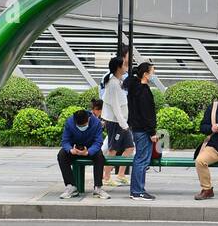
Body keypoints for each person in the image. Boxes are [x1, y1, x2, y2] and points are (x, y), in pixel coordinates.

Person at [57, 107, 108, 200]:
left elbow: (98, 142)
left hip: (90, 148)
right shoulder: (69, 122)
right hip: (74, 148)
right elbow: (65, 141)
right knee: (61, 155)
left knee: (100, 157)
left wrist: (88, 152)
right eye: (78, 126)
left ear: (88, 119)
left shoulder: (96, 123)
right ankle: (71, 186)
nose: (81, 127)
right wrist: (70, 150)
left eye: (83, 125)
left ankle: (98, 187)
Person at [100, 55, 134, 187]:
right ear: (118, 68)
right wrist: (124, 124)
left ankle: (120, 175)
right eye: (124, 65)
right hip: (116, 123)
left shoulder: (118, 81)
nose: (126, 67)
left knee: (130, 147)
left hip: (121, 122)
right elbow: (115, 107)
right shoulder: (113, 84)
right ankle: (106, 177)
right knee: (113, 149)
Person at [125, 61, 157, 200]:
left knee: (140, 159)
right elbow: (147, 114)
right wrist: (152, 132)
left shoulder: (134, 88)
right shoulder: (143, 90)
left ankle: (137, 190)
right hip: (143, 130)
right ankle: (138, 191)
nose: (153, 74)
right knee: (142, 160)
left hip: (137, 128)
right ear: (145, 74)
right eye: (152, 72)